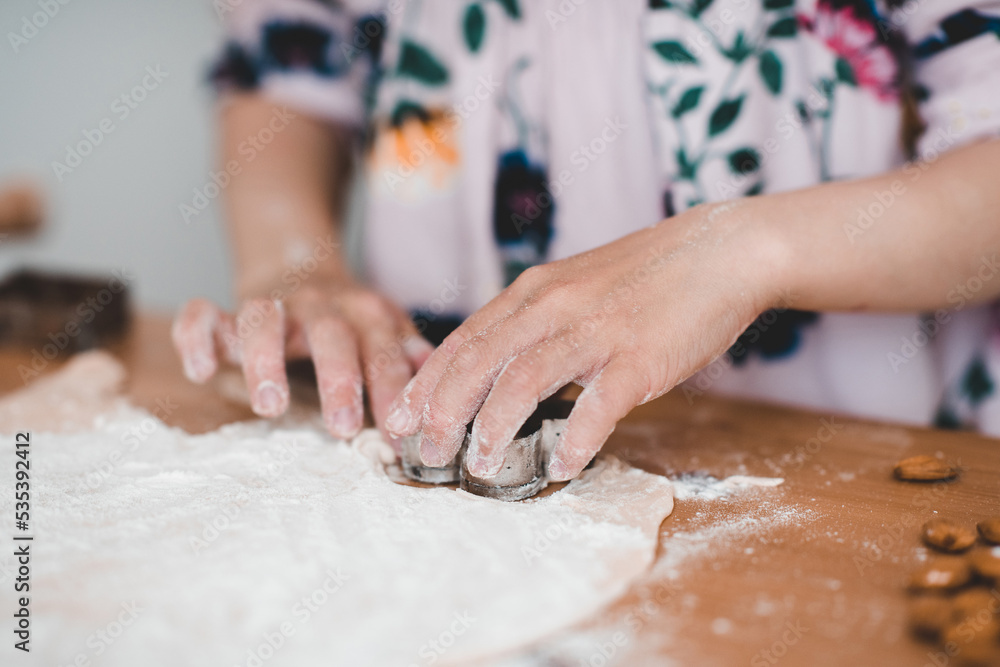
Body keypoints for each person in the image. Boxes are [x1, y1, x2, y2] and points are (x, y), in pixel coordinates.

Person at [173, 0, 1000, 483]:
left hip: (858, 457)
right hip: (433, 394)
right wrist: (295, 260)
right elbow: (289, 63)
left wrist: (742, 250)